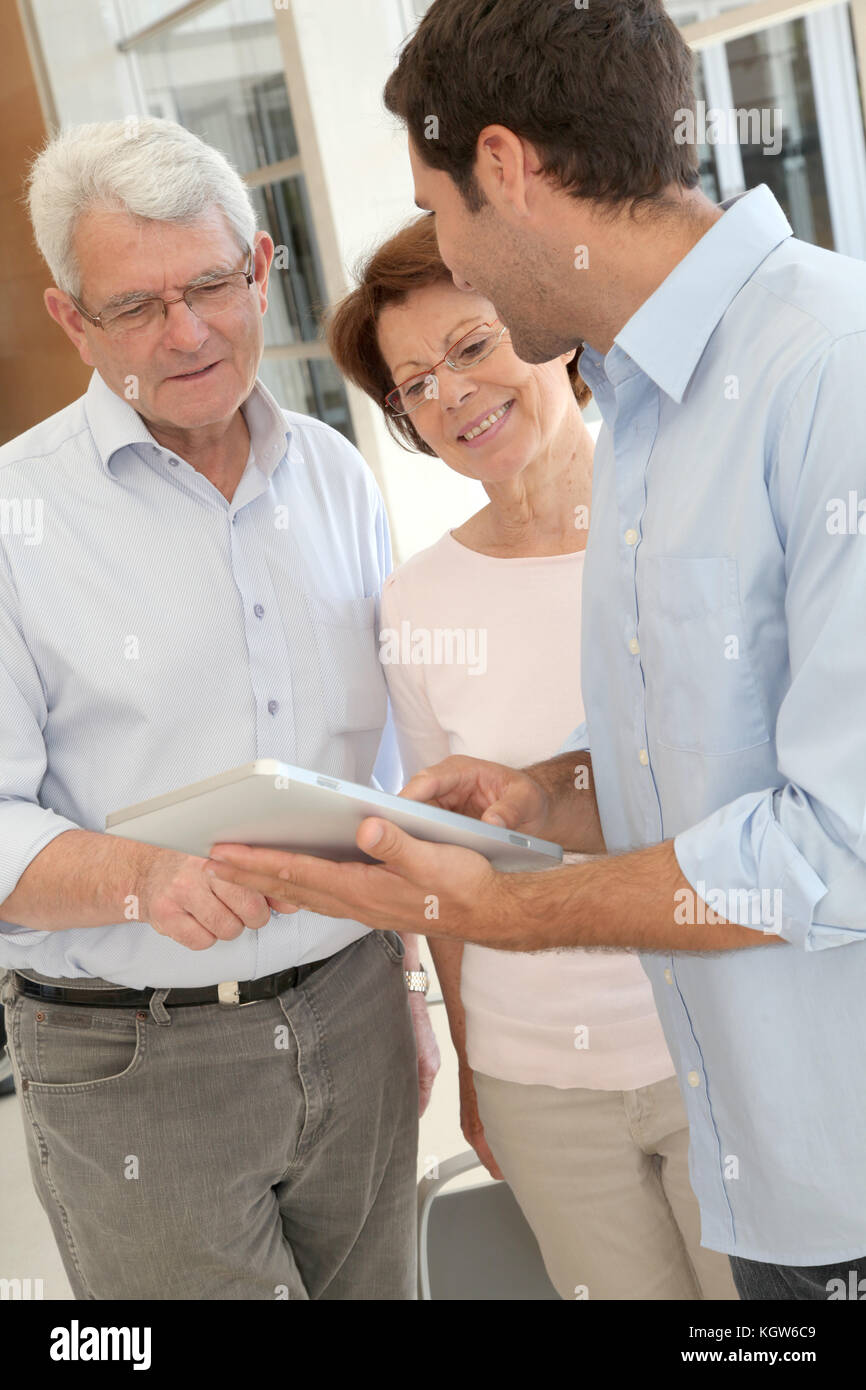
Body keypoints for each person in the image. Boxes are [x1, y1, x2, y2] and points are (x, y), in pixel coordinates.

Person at [207, 0, 866, 1300]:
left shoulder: (824, 375)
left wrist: (506, 909)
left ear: (501, 168)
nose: (442, 247)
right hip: (763, 1157)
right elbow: (707, 737)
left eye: (434, 206)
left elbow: (836, 842)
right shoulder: (645, 400)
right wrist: (544, 797)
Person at [0, 116, 436, 1300]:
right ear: (71, 322)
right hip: (134, 1054)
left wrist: (403, 982)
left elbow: (373, 773)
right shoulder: (14, 522)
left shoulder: (338, 477)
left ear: (258, 267)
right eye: (136, 306)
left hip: (351, 1010)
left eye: (209, 283)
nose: (186, 332)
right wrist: (144, 878)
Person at [324, 212, 736, 1299]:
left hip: (722, 1047)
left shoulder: (685, 527)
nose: (449, 394)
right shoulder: (415, 601)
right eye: (414, 383)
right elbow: (442, 863)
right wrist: (472, 1070)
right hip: (538, 1079)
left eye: (470, 347)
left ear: (551, 330)